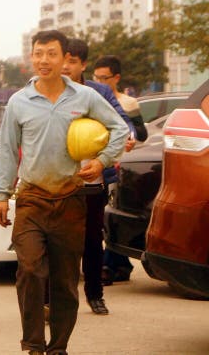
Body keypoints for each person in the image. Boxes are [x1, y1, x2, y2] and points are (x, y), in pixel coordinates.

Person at [0, 30, 127, 355]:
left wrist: (101, 161)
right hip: (31, 199)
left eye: (51, 54)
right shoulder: (19, 102)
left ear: (65, 58)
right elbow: (8, 150)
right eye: (38, 53)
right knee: (29, 270)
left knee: (66, 281)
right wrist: (1, 195)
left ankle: (58, 347)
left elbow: (120, 128)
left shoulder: (84, 97)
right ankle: (34, 345)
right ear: (31, 57)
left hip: (71, 199)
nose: (44, 60)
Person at [61, 39, 136, 316]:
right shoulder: (49, 91)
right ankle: (56, 298)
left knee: (92, 240)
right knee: (59, 242)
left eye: (72, 61)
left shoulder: (98, 92)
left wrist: (128, 137)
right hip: (58, 179)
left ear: (83, 65)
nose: (66, 66)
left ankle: (95, 294)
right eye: (63, 59)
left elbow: (122, 122)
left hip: (93, 178)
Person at [93, 54, 148, 284]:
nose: (100, 81)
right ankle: (115, 263)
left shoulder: (129, 103)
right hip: (100, 166)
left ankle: (112, 263)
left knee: (112, 215)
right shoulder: (90, 98)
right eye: (97, 77)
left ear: (116, 78)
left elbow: (140, 132)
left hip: (122, 165)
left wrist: (131, 138)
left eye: (104, 78)